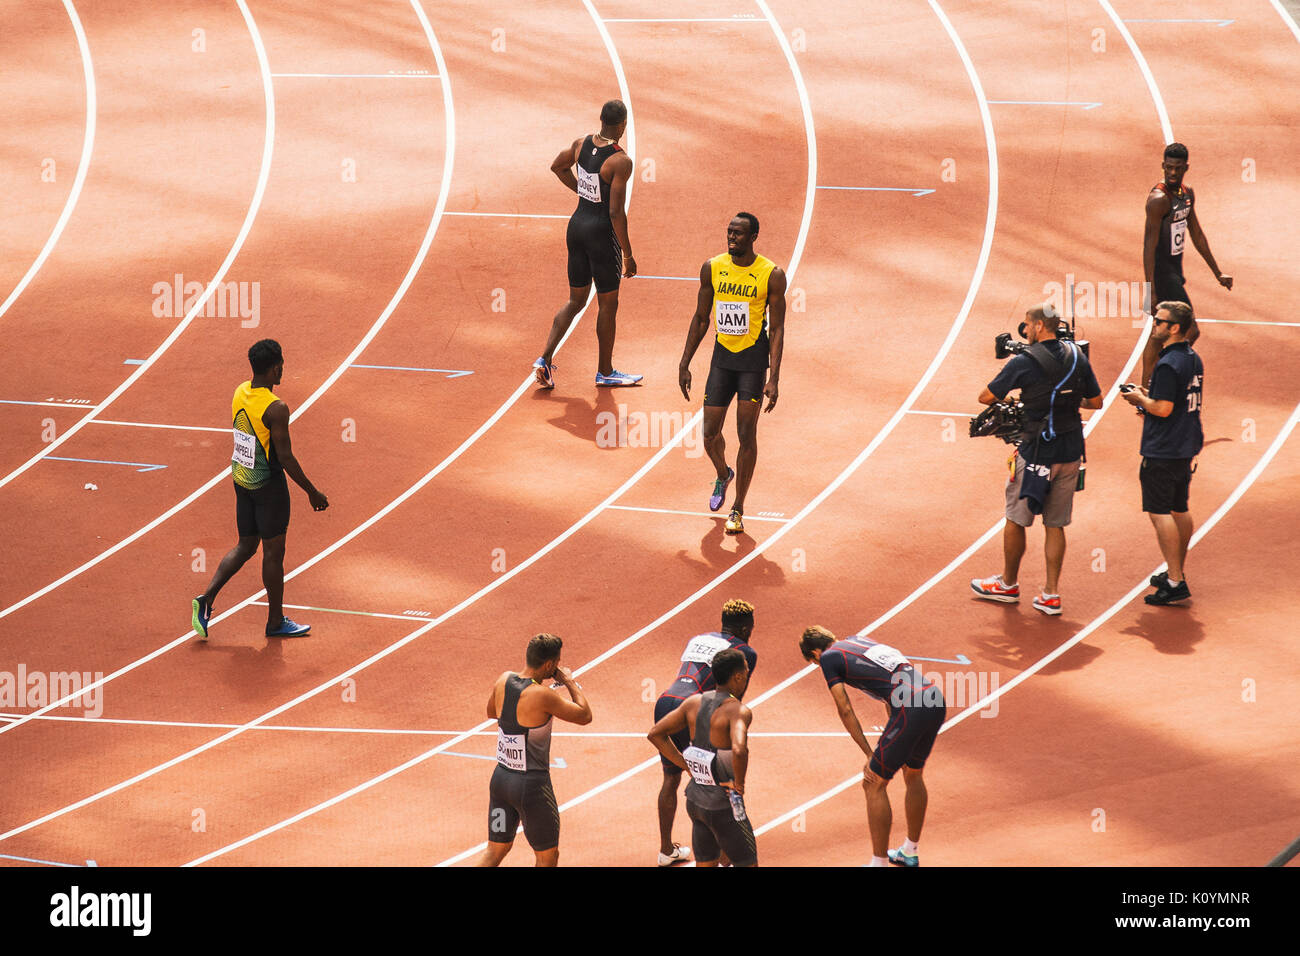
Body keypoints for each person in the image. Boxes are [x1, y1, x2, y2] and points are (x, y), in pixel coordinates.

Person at [971, 304, 1103, 615]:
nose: (1025, 331)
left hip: (1035, 453)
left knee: (1017, 518)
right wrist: (1065, 397)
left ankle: (1007, 585)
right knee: (1055, 524)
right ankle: (1051, 594)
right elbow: (1095, 402)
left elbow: (986, 396)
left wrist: (1024, 398)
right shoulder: (1077, 356)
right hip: (1071, 451)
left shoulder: (1024, 362)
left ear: (1040, 326)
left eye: (1028, 326)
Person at [191, 339, 328, 640]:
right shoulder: (276, 408)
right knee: (273, 553)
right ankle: (275, 621)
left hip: (242, 480)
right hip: (268, 487)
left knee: (246, 545)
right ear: (275, 367)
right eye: (281, 364)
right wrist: (312, 492)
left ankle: (207, 599)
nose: (283, 369)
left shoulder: (241, 391)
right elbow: (286, 457)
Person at [799, 626, 944, 867]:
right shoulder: (861, 641)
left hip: (910, 706)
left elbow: (844, 708)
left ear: (815, 652)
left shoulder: (828, 657)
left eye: (814, 662)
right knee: (913, 773)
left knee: (873, 783)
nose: (818, 664)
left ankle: (878, 863)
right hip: (933, 698)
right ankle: (910, 851)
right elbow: (891, 695)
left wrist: (870, 753)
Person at [678, 213, 786, 536]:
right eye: (729, 233)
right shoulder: (712, 268)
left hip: (752, 363)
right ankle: (723, 473)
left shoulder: (771, 274)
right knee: (709, 433)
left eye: (738, 234)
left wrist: (774, 377)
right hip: (722, 359)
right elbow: (701, 318)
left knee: (745, 433)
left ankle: (738, 508)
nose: (732, 238)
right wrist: (684, 362)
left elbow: (778, 328)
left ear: (753, 237)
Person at [533, 100, 641, 389]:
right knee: (608, 303)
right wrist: (627, 254)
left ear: (602, 120)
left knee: (576, 300)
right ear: (622, 126)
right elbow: (616, 212)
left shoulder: (581, 144)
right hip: (601, 236)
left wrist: (581, 192)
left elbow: (558, 166)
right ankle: (605, 371)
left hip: (577, 227)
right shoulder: (621, 161)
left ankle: (544, 359)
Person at [651, 598, 759, 866]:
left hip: (667, 700)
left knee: (671, 779)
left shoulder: (698, 638)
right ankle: (724, 853)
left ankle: (666, 850)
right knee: (716, 780)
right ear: (746, 628)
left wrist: (683, 763)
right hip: (696, 707)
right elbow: (731, 698)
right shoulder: (744, 652)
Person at [477, 633, 592, 867]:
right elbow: (585, 715)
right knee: (547, 857)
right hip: (532, 787)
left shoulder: (503, 680)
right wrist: (569, 681)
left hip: (501, 780)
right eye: (557, 663)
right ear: (549, 664)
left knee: (494, 851)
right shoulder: (542, 695)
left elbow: (491, 712)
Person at [1122, 301, 1204, 605]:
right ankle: (1176, 570)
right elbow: (1175, 400)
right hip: (1185, 445)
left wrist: (1139, 400)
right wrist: (1147, 395)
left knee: (1159, 512)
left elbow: (1164, 408)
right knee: (1179, 508)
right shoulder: (1192, 358)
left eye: (1160, 321)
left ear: (1175, 328)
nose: (1154, 325)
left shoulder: (1168, 364)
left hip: (1164, 447)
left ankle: (1174, 580)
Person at [1141, 142, 1232, 383]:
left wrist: (1217, 272)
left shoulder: (1187, 195)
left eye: (1178, 168)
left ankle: (1147, 386)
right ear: (1163, 166)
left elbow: (1197, 234)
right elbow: (1148, 247)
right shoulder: (1158, 199)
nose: (1172, 173)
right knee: (1190, 329)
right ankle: (1161, 375)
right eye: (1169, 168)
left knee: (1158, 333)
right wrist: (1150, 290)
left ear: (1186, 168)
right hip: (1162, 274)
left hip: (1175, 271)